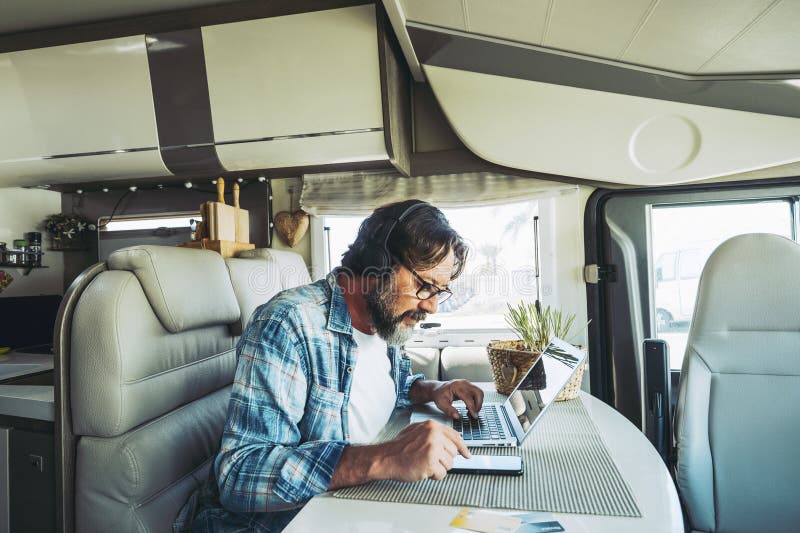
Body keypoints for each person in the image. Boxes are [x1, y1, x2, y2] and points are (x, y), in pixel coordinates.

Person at [174, 199, 484, 532]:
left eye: (440, 291)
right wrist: (386, 458)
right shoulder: (287, 325)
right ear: (376, 264)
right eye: (424, 287)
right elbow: (240, 475)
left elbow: (382, 388)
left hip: (354, 508)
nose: (433, 307)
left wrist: (432, 389)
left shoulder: (386, 322)